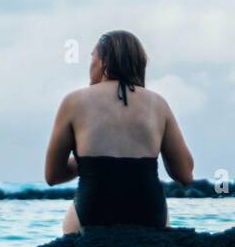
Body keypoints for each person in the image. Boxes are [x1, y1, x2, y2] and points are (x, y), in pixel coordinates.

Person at [44, 30, 194, 233]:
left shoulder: (74, 101)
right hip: (150, 214)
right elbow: (184, 174)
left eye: (92, 57)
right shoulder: (158, 104)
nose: (90, 65)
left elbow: (53, 175)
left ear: (104, 61)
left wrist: (89, 163)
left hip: (92, 211)